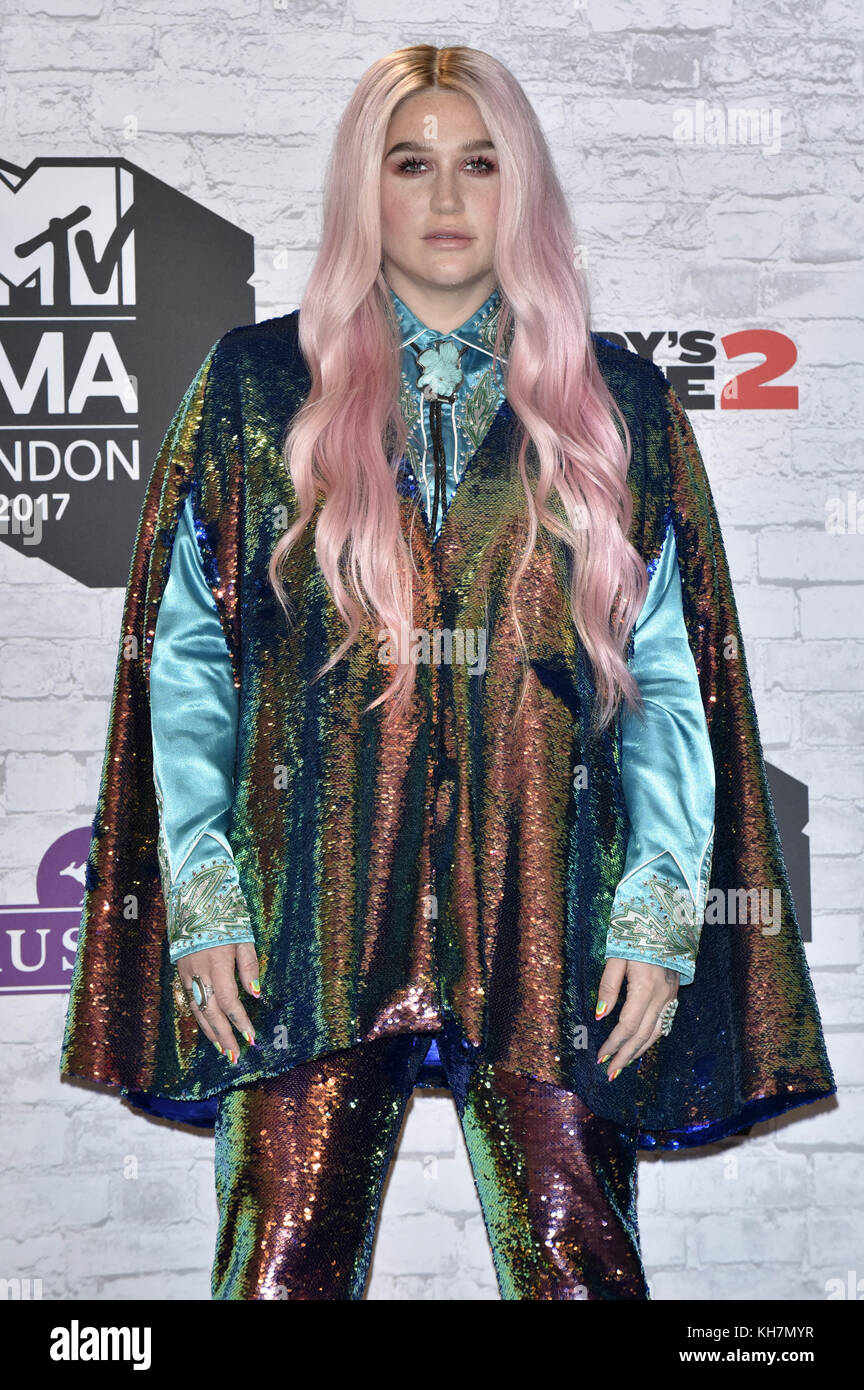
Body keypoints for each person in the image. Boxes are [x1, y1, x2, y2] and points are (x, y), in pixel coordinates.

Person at [60, 44, 835, 1301]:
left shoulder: (611, 402)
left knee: (580, 1267)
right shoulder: (257, 388)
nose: (445, 199)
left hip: (548, 910)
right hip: (306, 919)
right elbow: (189, 656)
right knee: (278, 1270)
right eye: (409, 163)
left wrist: (656, 900)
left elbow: (671, 680)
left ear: (520, 188)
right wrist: (201, 885)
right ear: (364, 190)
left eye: (478, 165)